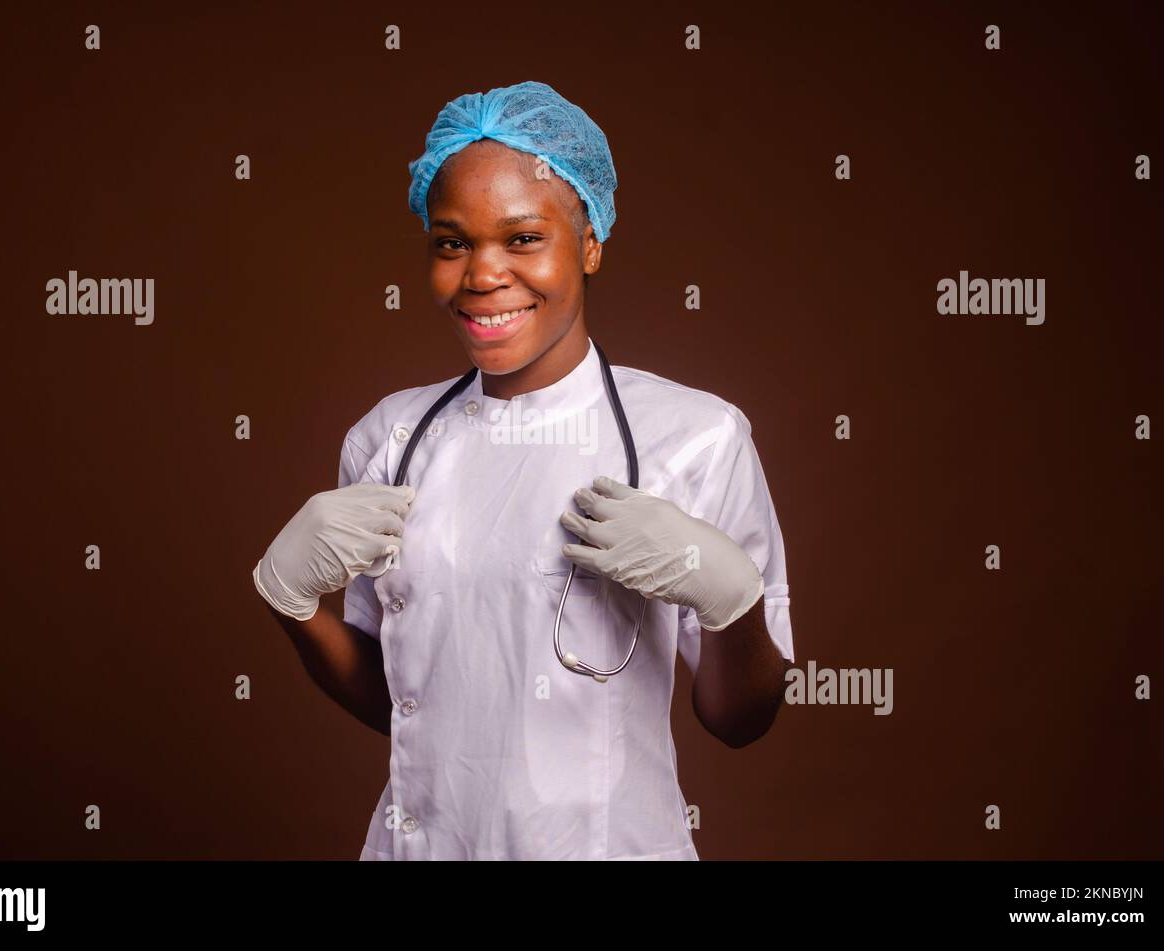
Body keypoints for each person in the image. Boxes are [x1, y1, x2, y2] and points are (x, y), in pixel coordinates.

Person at [253, 80, 795, 860]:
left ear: (590, 242)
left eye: (522, 239)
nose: (482, 274)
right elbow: (409, 706)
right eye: (452, 242)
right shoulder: (389, 437)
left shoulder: (694, 437)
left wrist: (732, 596)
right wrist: (294, 607)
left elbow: (742, 720)